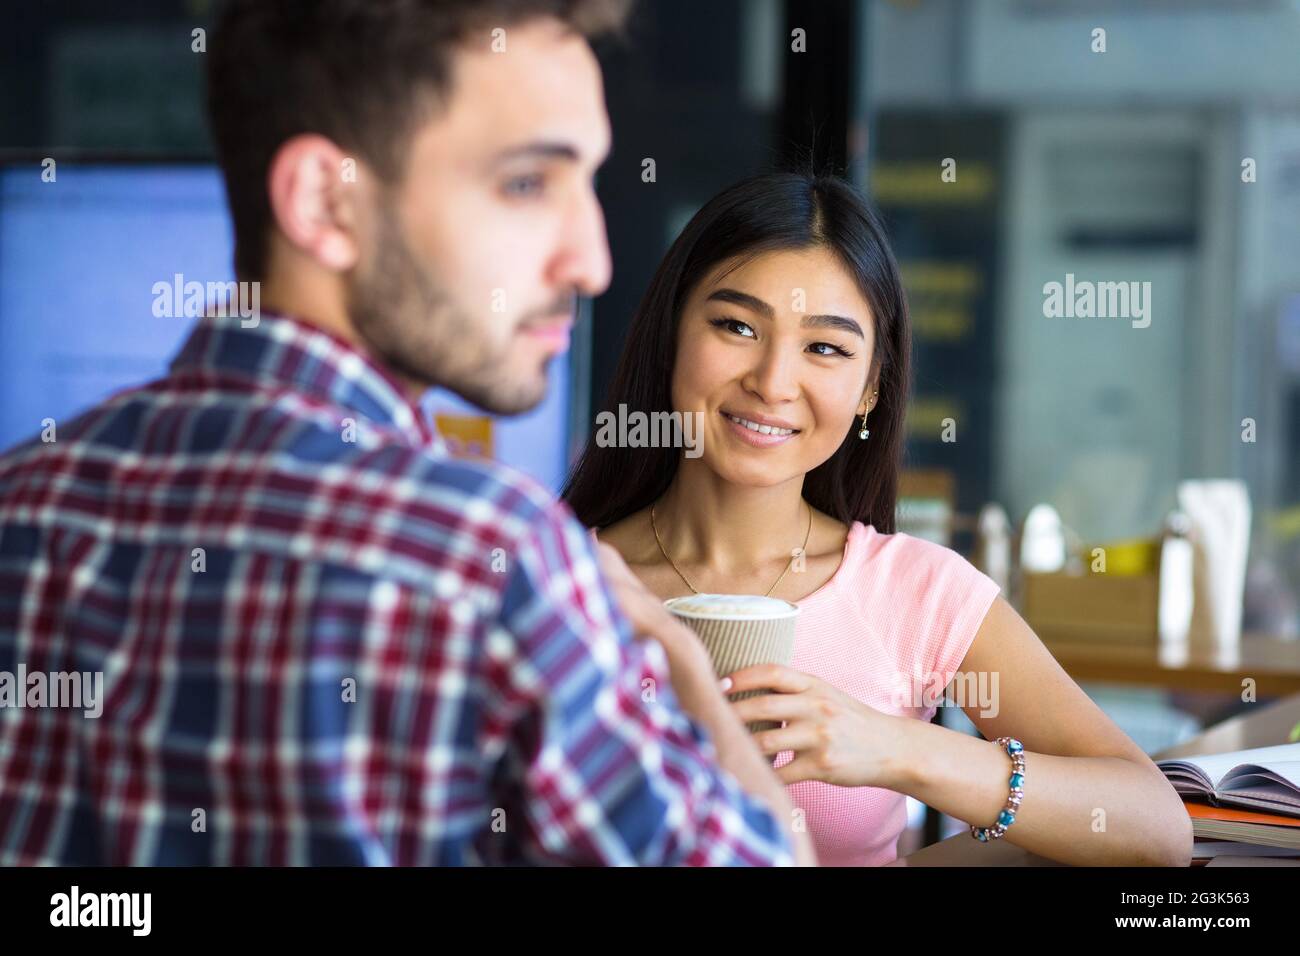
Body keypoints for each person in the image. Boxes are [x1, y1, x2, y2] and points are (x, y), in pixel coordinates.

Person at [0, 0, 815, 867]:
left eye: (588, 182)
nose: (592, 260)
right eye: (527, 184)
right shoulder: (493, 556)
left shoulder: (21, 502)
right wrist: (684, 664)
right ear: (324, 202)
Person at [564, 171, 1193, 866]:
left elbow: (1154, 824)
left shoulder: (915, 592)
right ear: (672, 335)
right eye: (737, 326)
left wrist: (892, 747)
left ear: (870, 390)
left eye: (825, 347)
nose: (773, 382)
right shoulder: (556, 578)